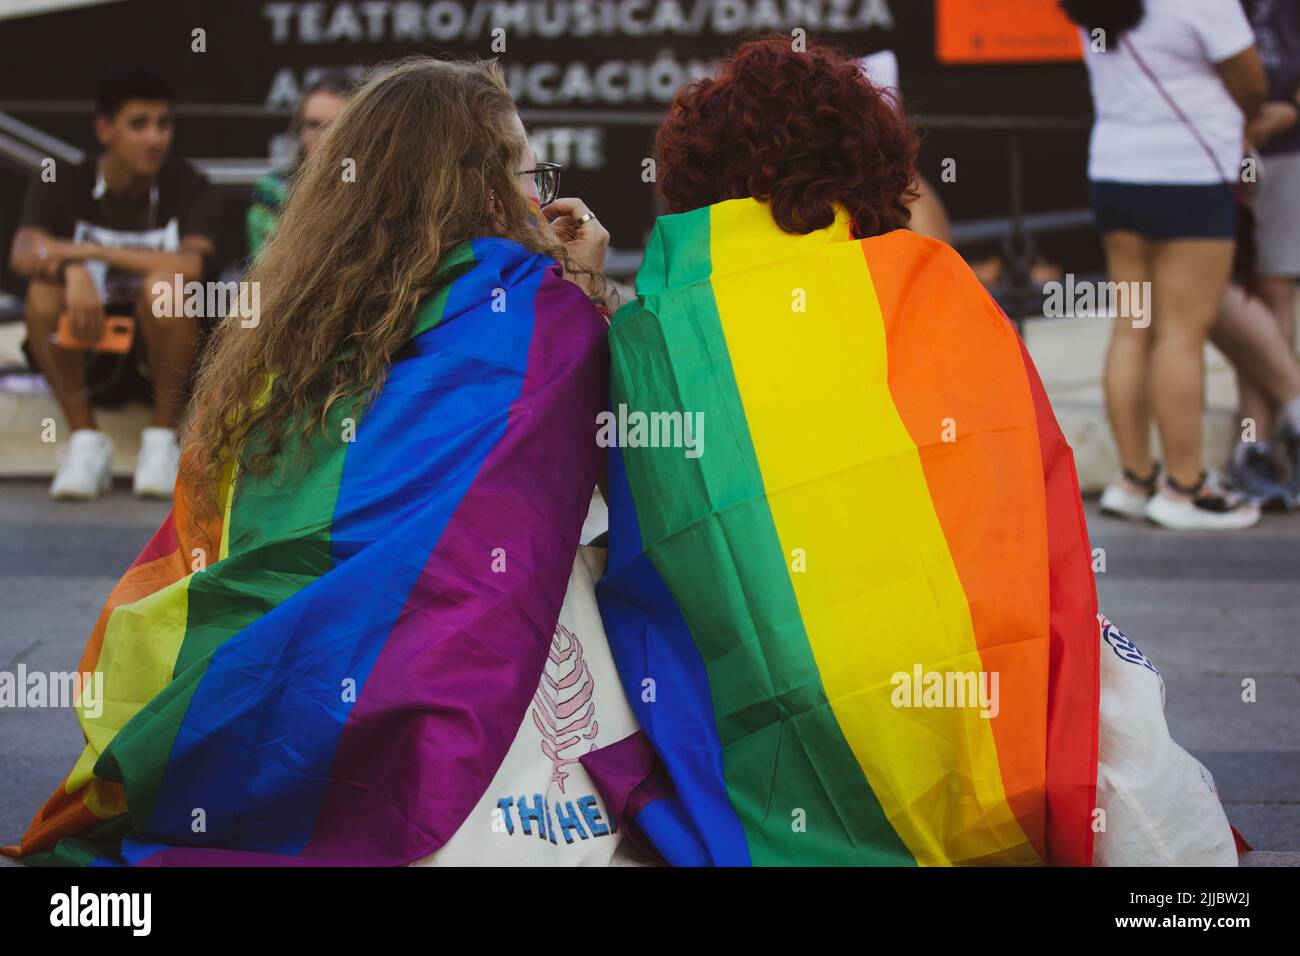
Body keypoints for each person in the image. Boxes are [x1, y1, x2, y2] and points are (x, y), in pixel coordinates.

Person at [586, 36, 1239, 866]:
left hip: (771, 764)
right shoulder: (943, 291)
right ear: (868, 163)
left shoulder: (655, 338)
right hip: (991, 751)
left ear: (694, 178)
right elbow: (1033, 516)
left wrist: (583, 290)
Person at [1, 56, 642, 867]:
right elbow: (635, 464)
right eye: (527, 176)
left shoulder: (298, 319)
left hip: (264, 703)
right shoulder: (539, 316)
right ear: (485, 191)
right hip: (445, 714)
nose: (539, 197)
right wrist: (587, 289)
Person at [1063, 0, 1268, 529]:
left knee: (1132, 327)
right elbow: (1253, 88)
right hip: (1188, 180)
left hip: (1115, 175)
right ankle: (1185, 488)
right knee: (1181, 333)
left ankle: (1133, 479)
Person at [8, 67, 221, 500]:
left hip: (161, 361)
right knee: (44, 291)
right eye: (138, 124)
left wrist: (91, 254)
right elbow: (24, 252)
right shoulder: (64, 179)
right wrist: (70, 270)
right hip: (88, 348)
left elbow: (190, 265)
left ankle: (162, 441)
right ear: (105, 129)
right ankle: (85, 441)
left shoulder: (189, 183)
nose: (155, 138)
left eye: (164, 124)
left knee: (167, 285)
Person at [1224, 0, 1300, 503]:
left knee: (1271, 291)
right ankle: (1265, 441)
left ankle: (1256, 447)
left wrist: (1292, 110)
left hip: (1281, 149)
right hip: (1208, 154)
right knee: (1225, 298)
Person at [246, 69, 356, 261]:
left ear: (357, 128)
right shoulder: (273, 189)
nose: (322, 135)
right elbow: (266, 264)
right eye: (312, 125)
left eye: (334, 125)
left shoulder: (375, 187)